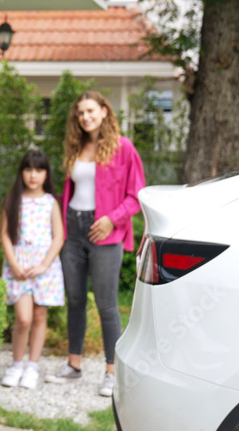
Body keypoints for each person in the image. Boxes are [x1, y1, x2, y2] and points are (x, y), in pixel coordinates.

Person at [45, 91, 145, 398]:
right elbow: (72, 189)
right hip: (73, 230)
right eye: (80, 113)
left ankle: (111, 371)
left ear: (104, 111)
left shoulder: (123, 148)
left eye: (90, 111)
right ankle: (73, 366)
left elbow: (137, 193)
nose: (84, 117)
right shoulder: (76, 147)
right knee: (75, 299)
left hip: (105, 232)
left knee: (106, 304)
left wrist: (112, 219)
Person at [0, 149, 65, 389]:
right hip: (19, 267)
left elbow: (59, 237)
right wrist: (14, 264)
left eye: (39, 169)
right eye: (28, 169)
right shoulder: (13, 199)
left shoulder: (51, 202)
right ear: (22, 172)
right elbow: (4, 234)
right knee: (23, 318)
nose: (33, 175)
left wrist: (44, 264)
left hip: (44, 268)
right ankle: (17, 364)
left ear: (46, 173)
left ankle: (32, 367)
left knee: (39, 316)